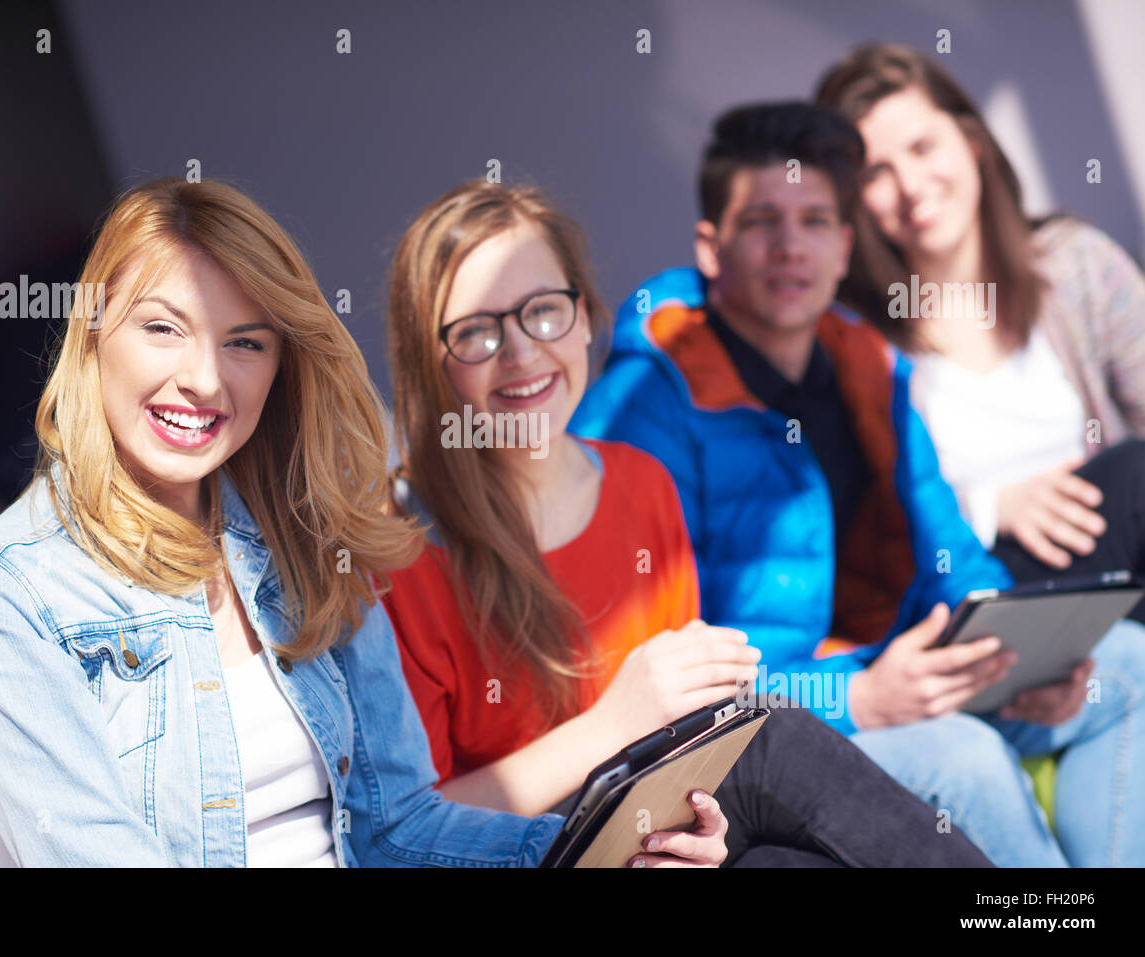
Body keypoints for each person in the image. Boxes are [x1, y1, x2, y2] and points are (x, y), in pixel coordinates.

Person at [0, 177, 717, 867]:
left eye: (245, 342)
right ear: (94, 333)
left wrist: (610, 851)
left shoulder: (308, 544)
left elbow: (400, 831)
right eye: (163, 327)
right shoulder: (2, 594)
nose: (204, 379)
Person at [570, 101, 1145, 867]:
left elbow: (953, 552)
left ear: (844, 246)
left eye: (814, 220)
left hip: (901, 672)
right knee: (965, 757)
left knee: (1125, 665)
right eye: (761, 222)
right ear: (712, 248)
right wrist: (859, 696)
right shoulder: (647, 402)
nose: (789, 247)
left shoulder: (873, 366)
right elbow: (650, 670)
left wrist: (1017, 657)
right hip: (760, 728)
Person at [379, 179, 993, 866]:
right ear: (430, 364)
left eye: (543, 312)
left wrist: (699, 835)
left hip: (645, 833)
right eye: (475, 332)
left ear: (584, 318)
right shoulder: (399, 554)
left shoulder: (641, 483)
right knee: (770, 738)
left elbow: (688, 738)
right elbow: (409, 832)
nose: (520, 352)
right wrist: (612, 725)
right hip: (517, 851)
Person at [814, 43, 1145, 614]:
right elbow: (861, 533)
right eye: (877, 172)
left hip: (1117, 554)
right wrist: (992, 506)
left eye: (923, 147)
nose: (912, 184)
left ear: (971, 140)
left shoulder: (1078, 264)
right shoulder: (852, 339)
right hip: (977, 591)